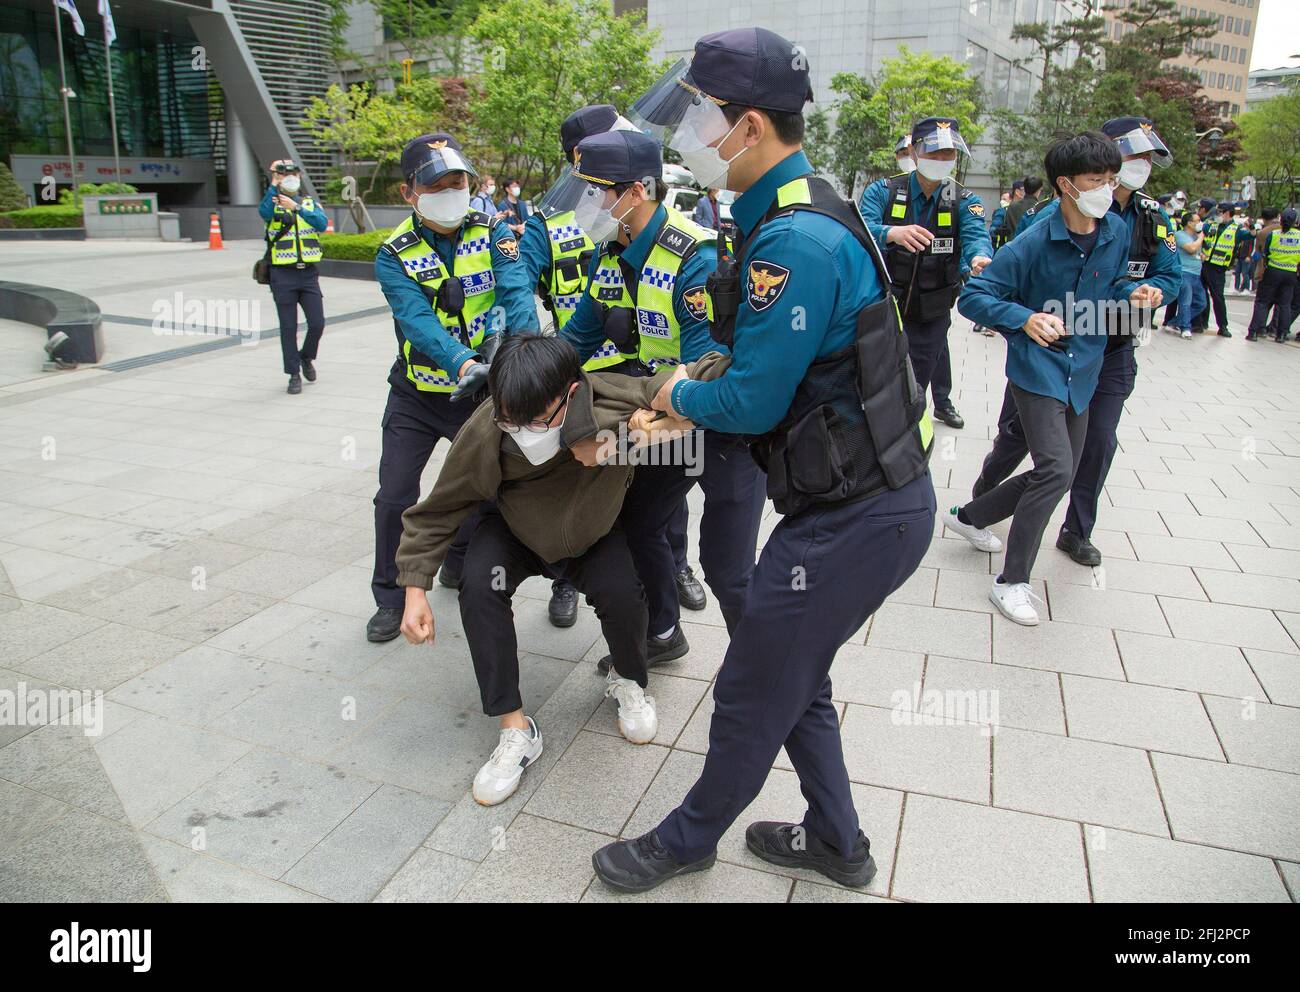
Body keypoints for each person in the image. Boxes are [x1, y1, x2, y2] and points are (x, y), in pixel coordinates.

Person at [591, 28, 936, 893]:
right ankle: (838, 843)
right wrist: (693, 397)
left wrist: (677, 393)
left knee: (751, 686)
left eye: (699, 115)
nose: (690, 134)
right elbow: (761, 369)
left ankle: (685, 840)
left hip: (857, 518)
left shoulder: (797, 242)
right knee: (796, 677)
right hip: (868, 502)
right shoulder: (799, 207)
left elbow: (752, 400)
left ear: (746, 125)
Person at [395, 335, 725, 805]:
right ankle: (515, 730)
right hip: (514, 529)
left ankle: (629, 683)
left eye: (534, 419)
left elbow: (696, 374)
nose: (521, 429)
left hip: (591, 532)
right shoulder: (489, 427)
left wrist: (664, 419)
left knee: (623, 594)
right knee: (479, 586)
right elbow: (438, 509)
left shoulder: (610, 394)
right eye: (509, 418)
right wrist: (414, 588)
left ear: (571, 392)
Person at [560, 128, 766, 668]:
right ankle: (662, 631)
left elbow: (703, 363)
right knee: (638, 520)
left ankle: (765, 672)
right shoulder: (611, 251)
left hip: (714, 423)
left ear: (637, 192)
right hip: (660, 414)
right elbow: (578, 335)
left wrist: (648, 423)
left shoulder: (689, 253)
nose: (592, 203)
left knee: (727, 564)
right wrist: (527, 375)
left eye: (599, 191)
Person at [942, 131, 1164, 625]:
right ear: (1066, 184)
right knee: (1057, 472)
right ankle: (1011, 581)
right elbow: (974, 297)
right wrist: (1024, 318)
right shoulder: (1034, 240)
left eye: (1110, 178)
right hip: (1038, 369)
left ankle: (969, 517)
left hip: (1085, 368)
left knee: (1056, 471)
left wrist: (1137, 292)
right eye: (1095, 180)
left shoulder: (1115, 231)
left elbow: (1116, 284)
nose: (1107, 189)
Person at [365, 133, 540, 644]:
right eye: (436, 184)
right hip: (418, 394)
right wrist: (462, 360)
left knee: (483, 487)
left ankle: (458, 561)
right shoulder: (393, 253)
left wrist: (508, 347)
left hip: (484, 391)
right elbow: (417, 320)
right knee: (395, 494)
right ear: (409, 193)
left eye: (458, 181)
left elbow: (515, 292)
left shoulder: (494, 230)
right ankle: (391, 597)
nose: (451, 190)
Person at [859, 116, 993, 426]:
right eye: (934, 153)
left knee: (915, 385)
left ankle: (907, 441)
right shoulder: (885, 191)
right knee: (874, 378)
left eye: (949, 154)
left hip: (931, 313)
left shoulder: (963, 200)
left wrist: (979, 259)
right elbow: (861, 229)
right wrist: (891, 233)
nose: (942, 160)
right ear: (915, 152)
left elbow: (975, 237)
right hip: (884, 306)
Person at [258, 160, 328, 394]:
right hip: (282, 274)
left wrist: (297, 207)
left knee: (317, 322)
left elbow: (321, 223)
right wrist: (273, 185)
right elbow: (264, 213)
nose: (289, 176)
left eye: (293, 173)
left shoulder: (308, 203)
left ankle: (306, 357)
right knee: (288, 327)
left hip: (308, 273)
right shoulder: (273, 202)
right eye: (284, 173)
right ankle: (293, 374)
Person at [1247, 208, 1300, 343]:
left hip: (1272, 271)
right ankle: (1281, 334)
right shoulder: (1299, 236)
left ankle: (1253, 332)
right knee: (1285, 304)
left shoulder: (1274, 234)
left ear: (1280, 219)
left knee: (1262, 302)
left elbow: (1266, 252)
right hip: (1290, 273)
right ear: (1295, 222)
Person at [1192, 201, 1236, 336]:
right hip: (1204, 264)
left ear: (1227, 213)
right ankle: (1199, 323)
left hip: (1218, 268)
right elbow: (1199, 229)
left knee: (1218, 297)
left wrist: (1253, 229)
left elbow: (1250, 236)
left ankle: (1223, 326)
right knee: (1200, 294)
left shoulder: (1236, 229)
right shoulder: (1212, 225)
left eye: (1220, 212)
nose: (1217, 215)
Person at [1171, 211, 1207, 340]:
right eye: (1197, 221)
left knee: (1201, 303)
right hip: (1184, 272)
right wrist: (1201, 237)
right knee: (1185, 301)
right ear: (1189, 223)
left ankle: (1175, 322)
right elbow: (1191, 249)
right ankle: (1185, 328)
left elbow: (1196, 252)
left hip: (1196, 274)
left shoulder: (1194, 237)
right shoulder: (1180, 235)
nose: (1199, 223)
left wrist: (1201, 255)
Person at [1233, 212, 1256, 293]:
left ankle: (1245, 288)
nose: (1245, 225)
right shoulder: (1243, 232)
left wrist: (1249, 256)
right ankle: (1236, 288)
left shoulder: (1251, 235)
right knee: (1237, 272)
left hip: (1246, 256)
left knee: (1245, 273)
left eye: (1246, 224)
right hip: (1240, 255)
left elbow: (1252, 247)